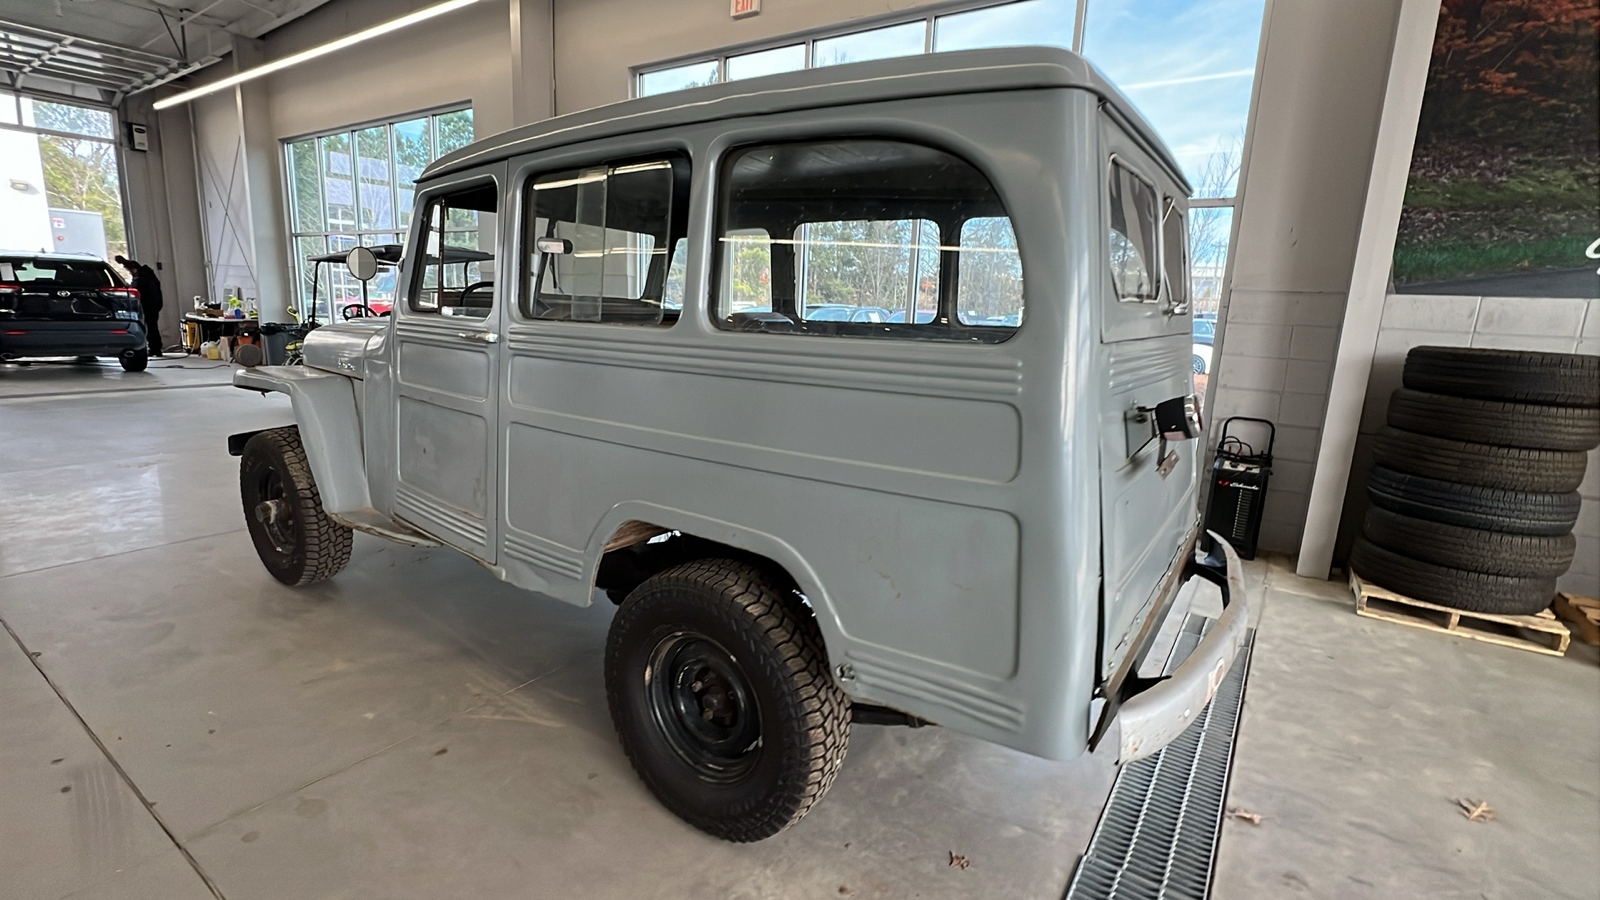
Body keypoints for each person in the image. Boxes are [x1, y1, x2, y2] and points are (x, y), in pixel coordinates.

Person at [114, 255, 164, 355]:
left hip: (147, 306)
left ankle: (153, 348)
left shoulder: (140, 279)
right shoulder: (149, 275)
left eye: (129, 270)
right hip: (155, 304)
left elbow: (135, 290)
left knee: (148, 327)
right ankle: (156, 348)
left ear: (133, 269)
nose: (130, 273)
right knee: (153, 327)